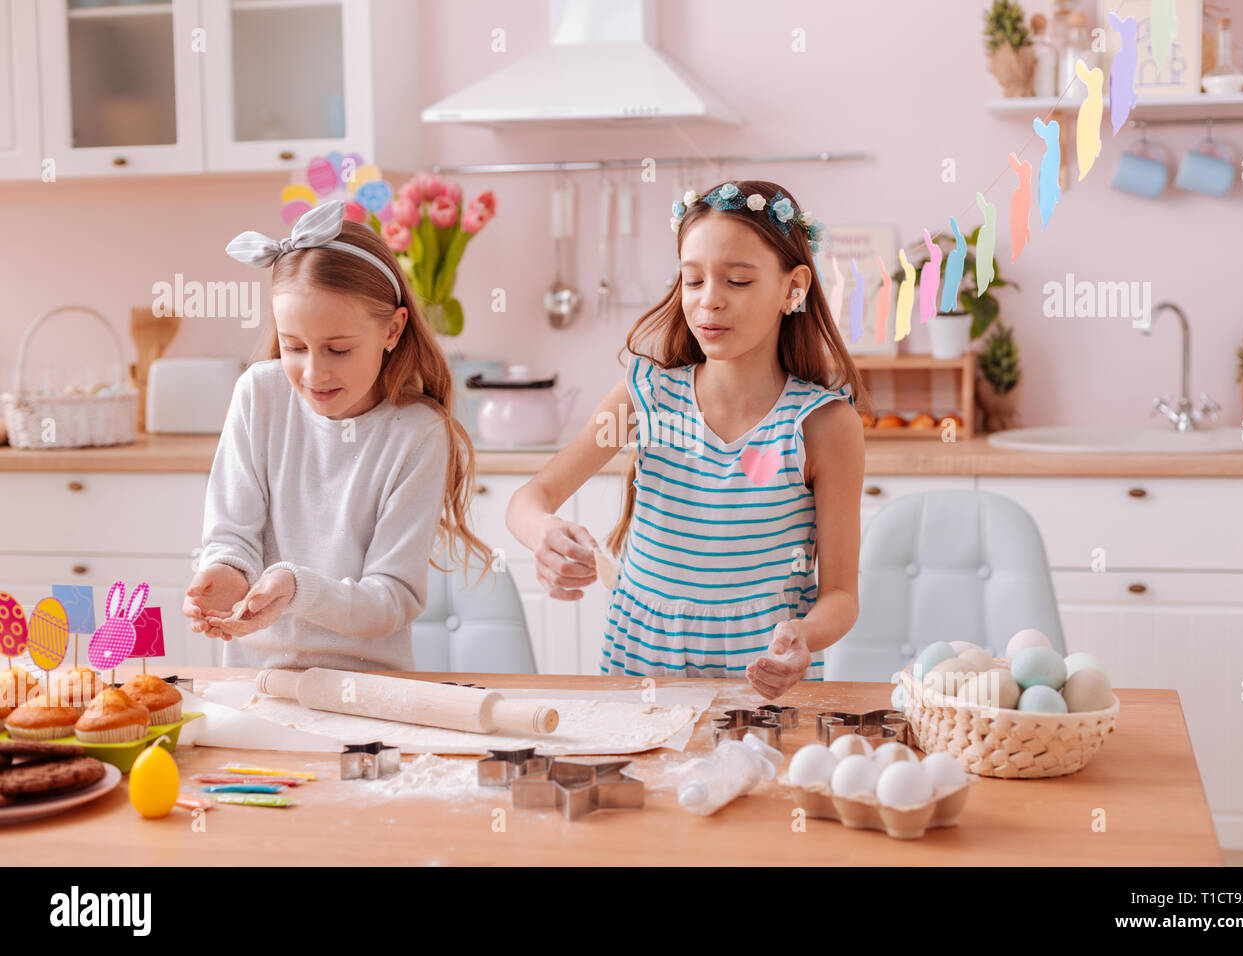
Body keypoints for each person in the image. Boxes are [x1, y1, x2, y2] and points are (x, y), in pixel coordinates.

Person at [507, 180, 867, 698]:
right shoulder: (643, 398)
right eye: (693, 280)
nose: (709, 302)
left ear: (794, 287)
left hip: (762, 676)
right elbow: (528, 499)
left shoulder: (823, 425)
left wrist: (803, 636)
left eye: (738, 281)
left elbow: (839, 595)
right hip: (640, 668)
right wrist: (543, 534)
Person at [184, 200, 491, 670]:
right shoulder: (258, 394)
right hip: (256, 688)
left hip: (369, 697)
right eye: (294, 346)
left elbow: (392, 599)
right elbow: (231, 534)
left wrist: (296, 588)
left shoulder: (417, 433)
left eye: (339, 349)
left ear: (392, 329)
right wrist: (224, 572)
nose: (314, 372)